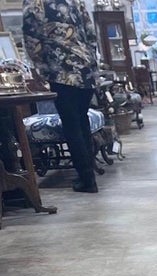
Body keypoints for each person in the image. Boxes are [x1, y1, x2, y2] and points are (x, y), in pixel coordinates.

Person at [22, 0, 100, 193]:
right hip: (86, 69)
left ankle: (86, 179)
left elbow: (31, 39)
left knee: (71, 125)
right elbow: (91, 33)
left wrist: (40, 69)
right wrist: (90, 61)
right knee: (81, 121)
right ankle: (89, 173)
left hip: (61, 71)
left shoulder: (34, 3)